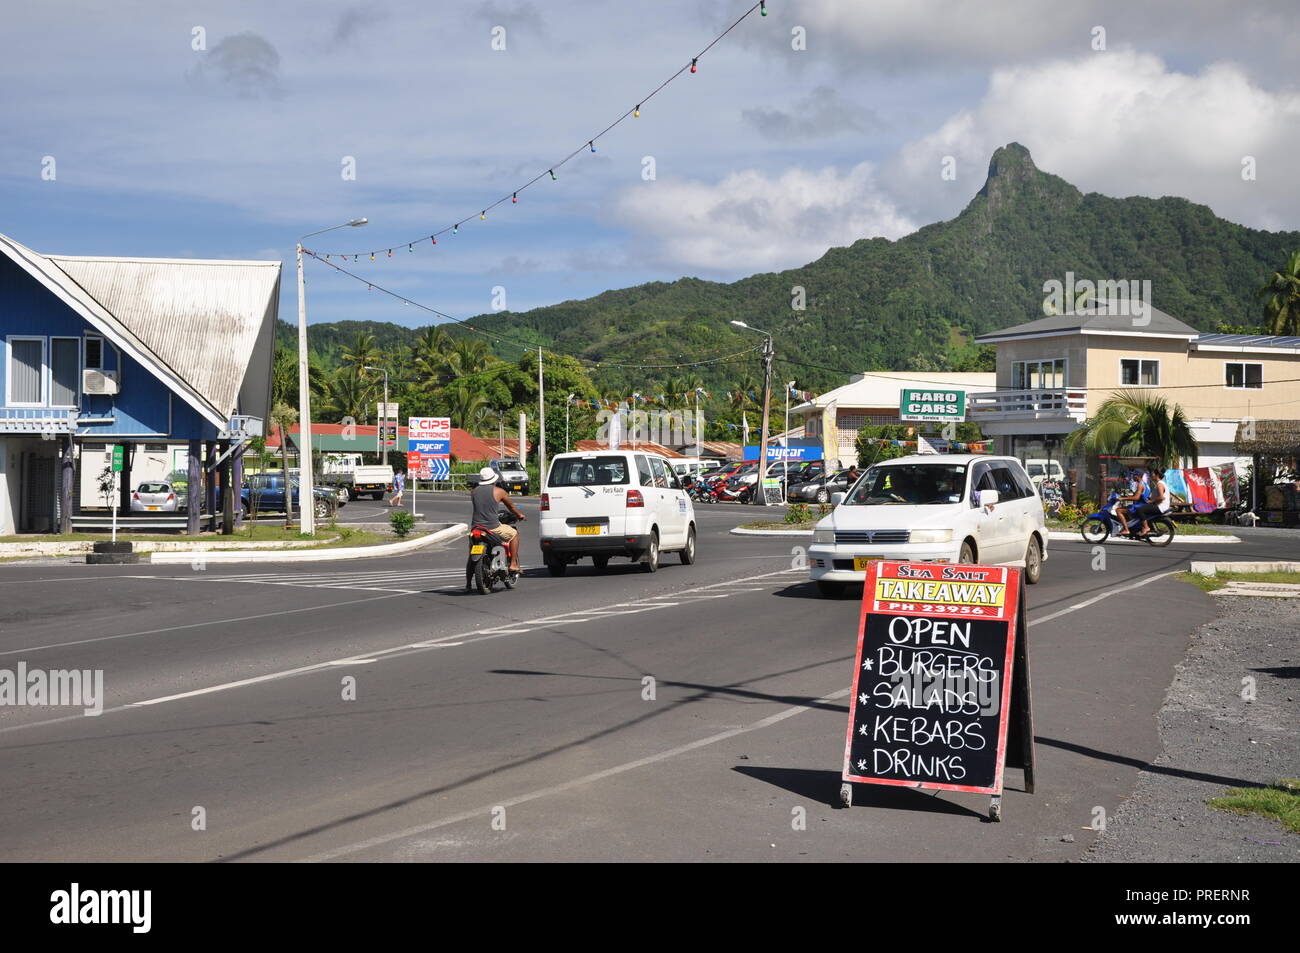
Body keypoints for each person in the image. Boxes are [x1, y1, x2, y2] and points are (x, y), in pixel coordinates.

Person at [471, 465, 525, 572]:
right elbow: (511, 507)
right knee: (514, 534)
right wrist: (520, 515)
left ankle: (468, 582)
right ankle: (513, 564)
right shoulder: (499, 491)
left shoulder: (474, 492)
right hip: (493, 527)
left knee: (471, 553)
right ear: (494, 480)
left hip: (476, 527)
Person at [1132, 466, 1170, 536]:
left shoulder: (1160, 484)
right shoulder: (1159, 484)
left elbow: (1161, 497)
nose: (1151, 475)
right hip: (1159, 505)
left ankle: (1146, 527)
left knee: (1140, 509)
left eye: (1153, 474)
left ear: (1157, 475)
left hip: (1160, 507)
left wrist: (1151, 501)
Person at [1115, 469, 1149, 537]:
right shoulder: (1145, 484)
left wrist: (1122, 498)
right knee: (1126, 509)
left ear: (1138, 476)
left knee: (1118, 510)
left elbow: (1136, 497)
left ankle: (1126, 529)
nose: (1132, 476)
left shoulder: (1140, 485)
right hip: (1142, 504)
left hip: (1139, 506)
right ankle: (1130, 527)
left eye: (1134, 475)